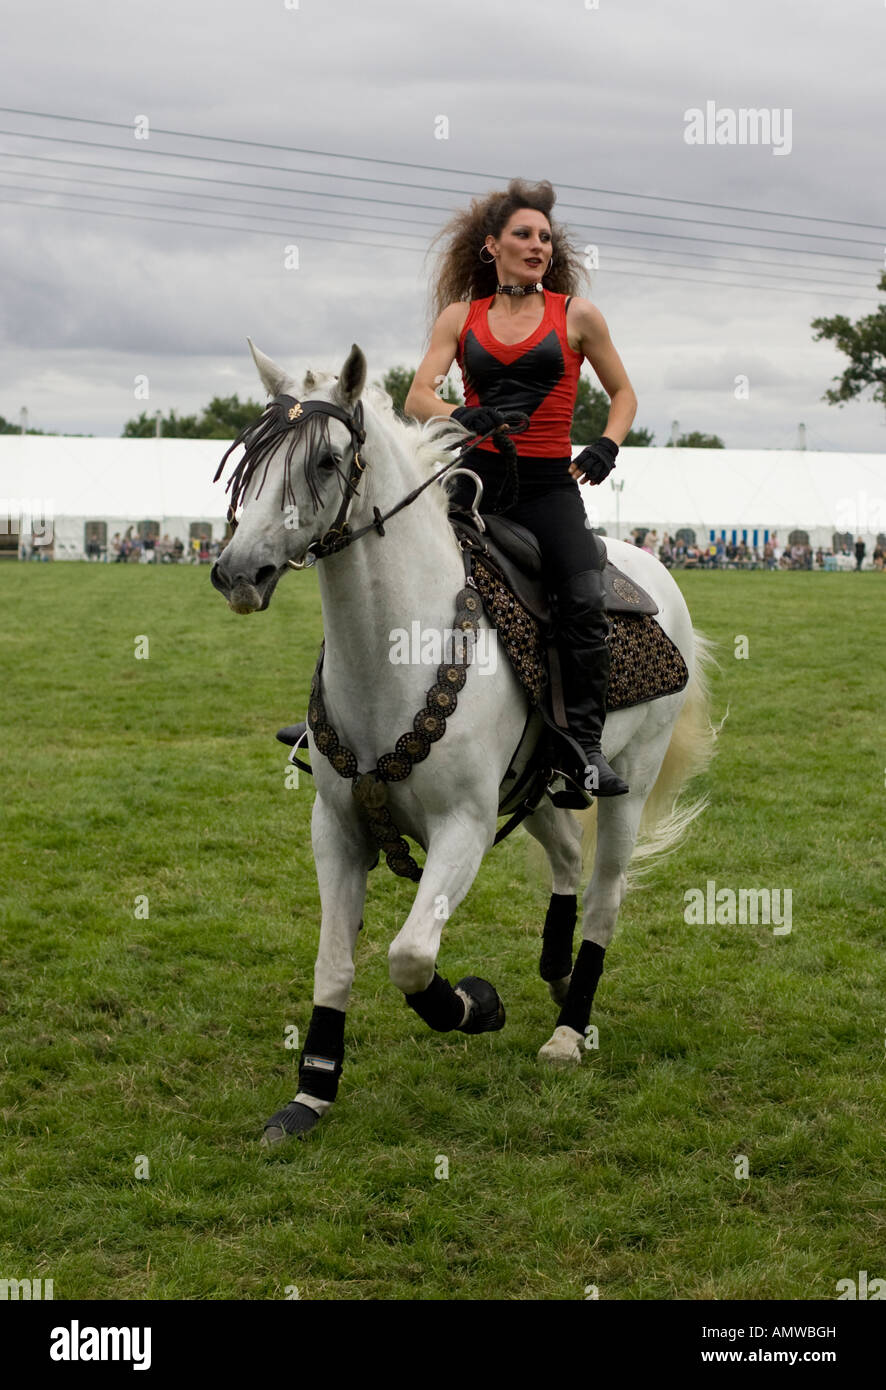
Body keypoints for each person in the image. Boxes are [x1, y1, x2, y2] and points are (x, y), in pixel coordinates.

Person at [403, 178, 638, 804]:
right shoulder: (461, 317)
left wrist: (607, 444)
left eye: (544, 237)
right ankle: (332, 724)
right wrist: (459, 414)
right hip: (471, 483)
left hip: (547, 490)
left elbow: (625, 395)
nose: (537, 245)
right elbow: (416, 396)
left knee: (582, 600)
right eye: (523, 235)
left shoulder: (577, 315)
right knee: (387, 569)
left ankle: (582, 751)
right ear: (492, 246)